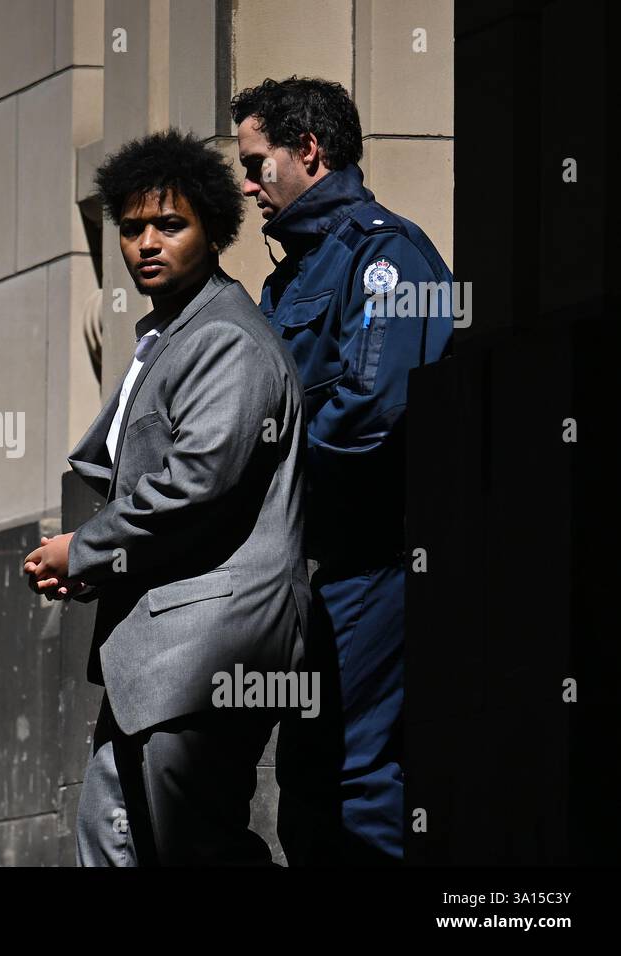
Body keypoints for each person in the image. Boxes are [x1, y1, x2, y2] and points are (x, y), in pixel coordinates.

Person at [23, 129, 309, 866]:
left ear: (212, 230)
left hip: (209, 647)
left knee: (193, 848)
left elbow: (197, 482)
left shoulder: (225, 340)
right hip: (158, 652)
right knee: (112, 840)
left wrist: (83, 548)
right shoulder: (173, 333)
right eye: (133, 228)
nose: (147, 243)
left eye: (170, 225)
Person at [231, 76, 454, 865]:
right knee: (311, 784)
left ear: (309, 150)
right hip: (314, 573)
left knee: (353, 780)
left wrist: (263, 471)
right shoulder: (292, 273)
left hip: (376, 564)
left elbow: (374, 410)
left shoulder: (386, 254)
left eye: (258, 164)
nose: (249, 184)